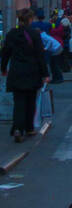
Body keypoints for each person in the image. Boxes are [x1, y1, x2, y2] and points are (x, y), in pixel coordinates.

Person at [1, 10, 50, 142]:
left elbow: (5, 53)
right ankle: (29, 128)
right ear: (30, 20)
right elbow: (40, 56)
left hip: (16, 71)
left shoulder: (11, 34)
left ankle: (17, 128)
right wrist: (45, 74)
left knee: (19, 102)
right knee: (30, 101)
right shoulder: (34, 34)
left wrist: (3, 68)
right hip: (32, 72)